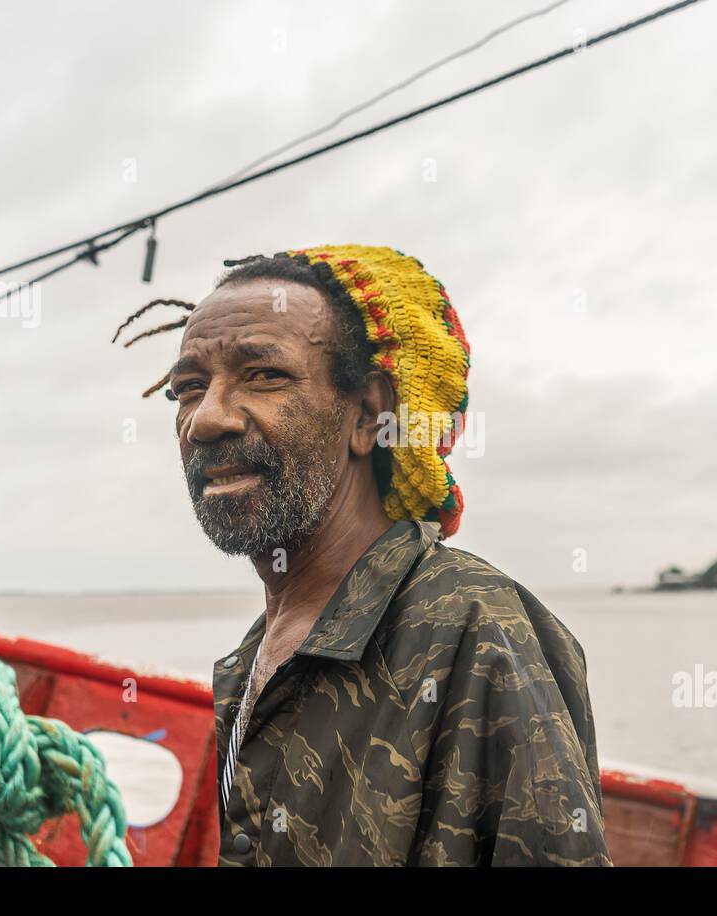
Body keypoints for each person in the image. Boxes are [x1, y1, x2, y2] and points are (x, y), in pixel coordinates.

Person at [115, 244, 611, 866]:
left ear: (370, 415)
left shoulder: (476, 631)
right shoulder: (255, 657)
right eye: (188, 388)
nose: (205, 419)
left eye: (263, 374)